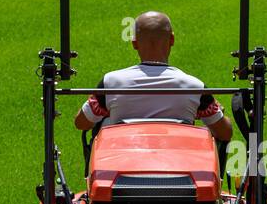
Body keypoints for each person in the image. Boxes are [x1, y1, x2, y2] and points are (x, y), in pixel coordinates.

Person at [71, 11, 232, 142]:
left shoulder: (111, 82)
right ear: (172, 40)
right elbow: (225, 133)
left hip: (123, 166)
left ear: (134, 43)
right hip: (179, 167)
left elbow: (82, 123)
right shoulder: (195, 86)